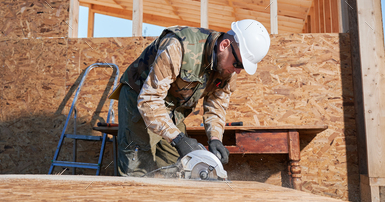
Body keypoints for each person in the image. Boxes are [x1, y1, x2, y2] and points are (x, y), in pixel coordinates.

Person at [110, 19, 271, 176]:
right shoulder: (178, 46)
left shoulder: (229, 67)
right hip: (139, 99)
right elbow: (150, 100)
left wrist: (215, 138)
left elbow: (217, 105)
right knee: (137, 169)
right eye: (238, 65)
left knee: (183, 167)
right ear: (224, 45)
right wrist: (178, 139)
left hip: (172, 109)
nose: (238, 71)